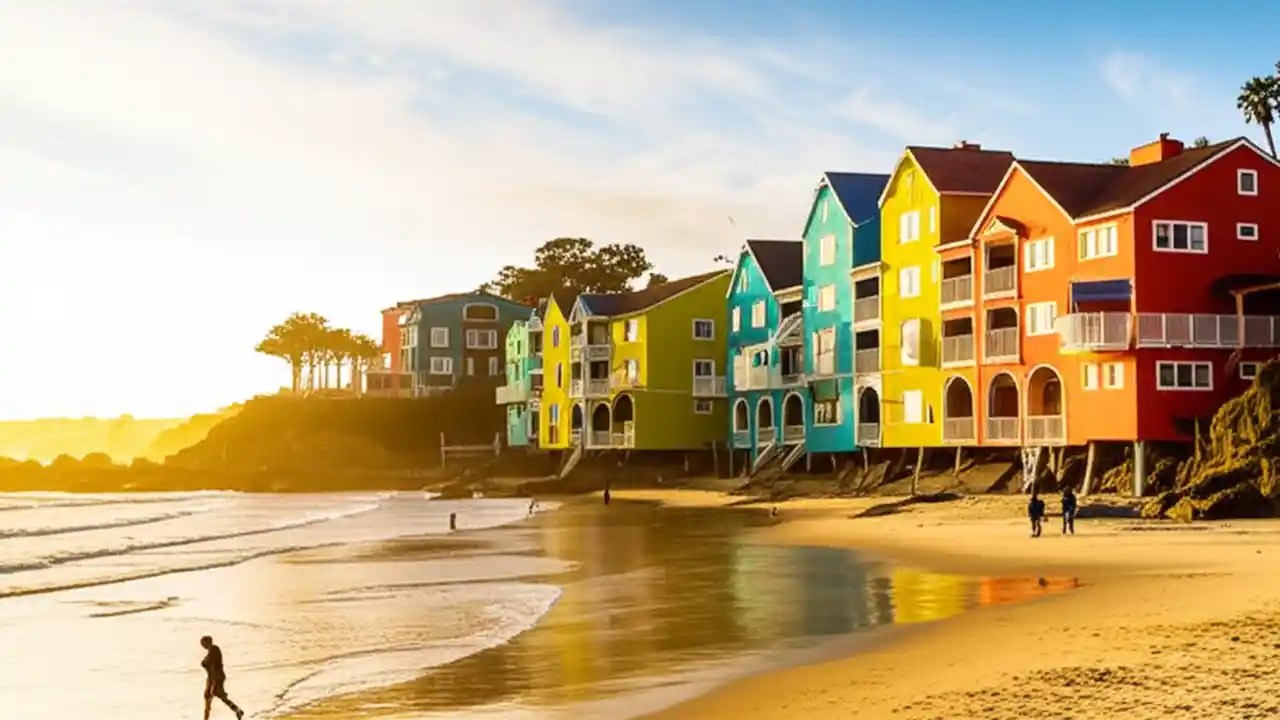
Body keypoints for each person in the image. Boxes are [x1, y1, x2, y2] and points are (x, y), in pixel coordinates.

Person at [200, 636, 244, 719]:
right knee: (208, 697)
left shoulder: (214, 650)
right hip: (211, 678)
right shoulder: (211, 651)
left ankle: (237, 710)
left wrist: (214, 682)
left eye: (203, 643)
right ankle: (237, 710)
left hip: (217, 677)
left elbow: (213, 666)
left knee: (217, 694)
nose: (202, 645)